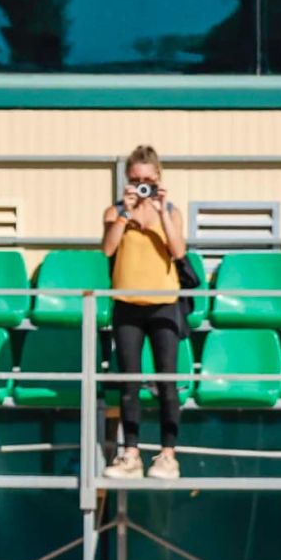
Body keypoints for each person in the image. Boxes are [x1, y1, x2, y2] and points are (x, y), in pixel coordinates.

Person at [101, 145, 187, 481]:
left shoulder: (172, 212)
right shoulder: (115, 212)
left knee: (166, 381)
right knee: (129, 382)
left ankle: (168, 455)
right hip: (127, 306)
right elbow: (108, 248)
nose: (141, 186)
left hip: (164, 304)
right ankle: (131, 454)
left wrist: (161, 212)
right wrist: (126, 212)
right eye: (135, 180)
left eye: (147, 180)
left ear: (159, 179)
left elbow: (178, 251)